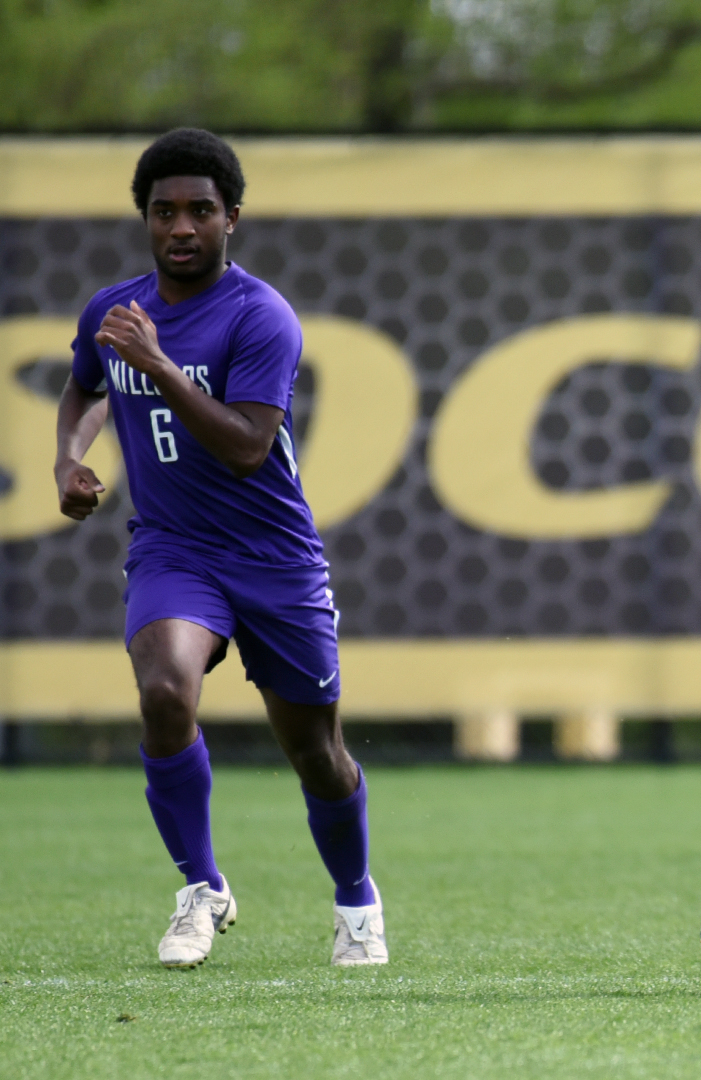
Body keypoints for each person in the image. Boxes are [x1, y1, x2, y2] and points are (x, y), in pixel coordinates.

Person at [53, 129, 386, 967]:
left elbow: (244, 447)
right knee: (165, 692)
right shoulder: (114, 311)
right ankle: (199, 889)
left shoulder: (260, 316)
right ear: (146, 219)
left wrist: (160, 366)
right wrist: (70, 456)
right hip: (174, 549)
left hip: (274, 557)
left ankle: (355, 901)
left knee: (316, 753)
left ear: (231, 218)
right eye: (163, 212)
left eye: (200, 210)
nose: (181, 227)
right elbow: (86, 386)